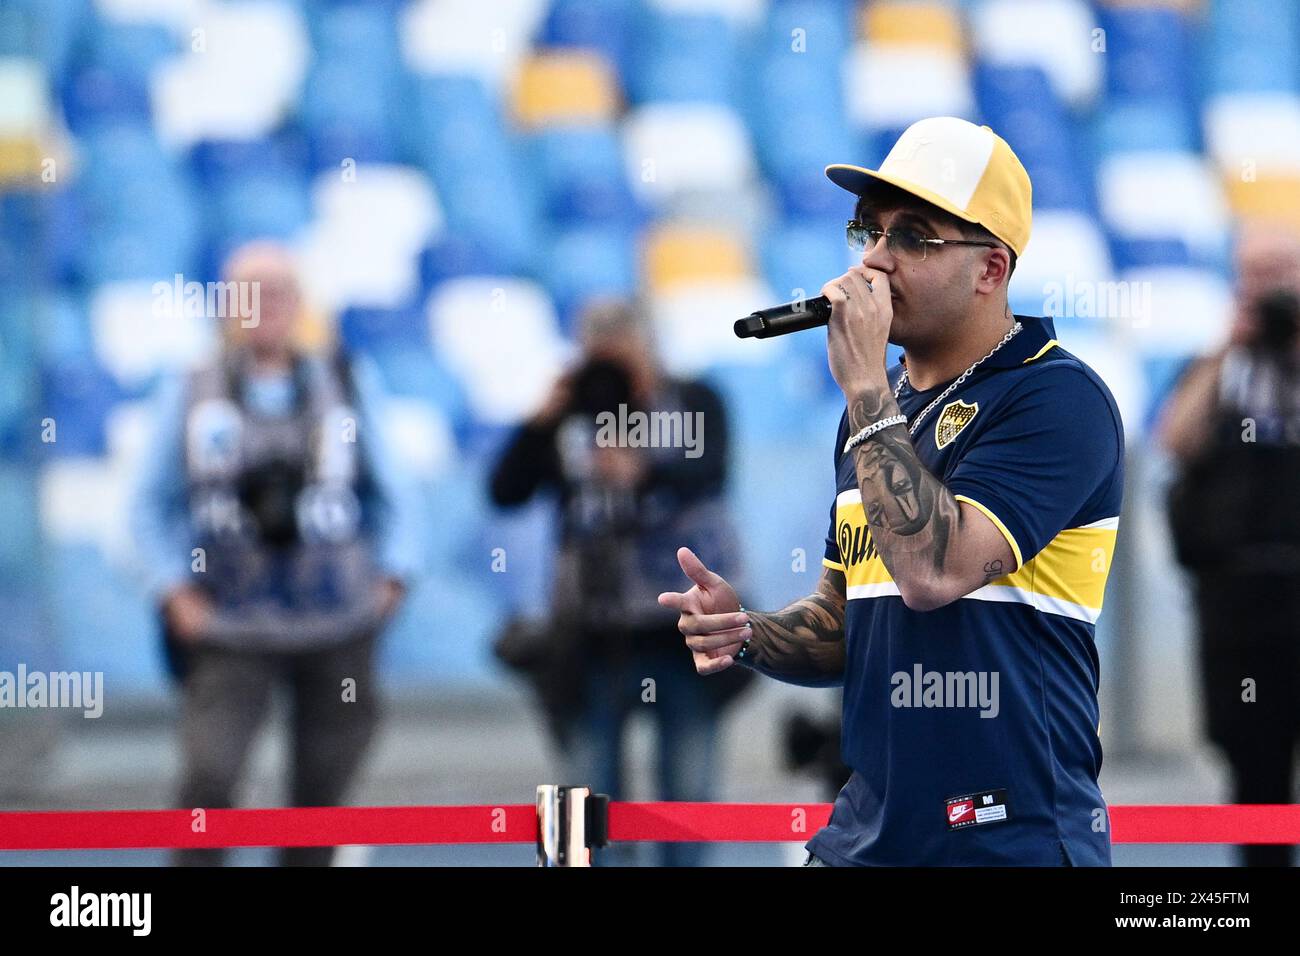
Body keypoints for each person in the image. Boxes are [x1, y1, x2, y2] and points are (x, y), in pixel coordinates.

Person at [659, 116, 1126, 866]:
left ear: (991, 270)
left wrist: (868, 389)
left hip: (1008, 836)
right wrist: (747, 630)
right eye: (869, 232)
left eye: (913, 237)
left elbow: (932, 572)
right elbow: (847, 618)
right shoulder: (875, 410)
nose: (875, 260)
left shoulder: (1056, 398)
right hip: (867, 832)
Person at [130, 241, 422, 866]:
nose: (265, 307)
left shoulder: (345, 379)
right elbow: (146, 503)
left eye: (279, 292)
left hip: (337, 620)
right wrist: (172, 589)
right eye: (250, 293)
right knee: (209, 781)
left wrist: (392, 579)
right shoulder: (190, 389)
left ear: (300, 304)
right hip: (230, 622)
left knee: (320, 802)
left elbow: (396, 489)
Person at [489, 298, 751, 866]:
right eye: (597, 353)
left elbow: (714, 469)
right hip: (590, 634)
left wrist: (644, 469)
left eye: (622, 352)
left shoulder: (694, 400)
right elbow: (505, 491)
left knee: (688, 794)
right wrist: (543, 421)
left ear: (649, 346)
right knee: (585, 800)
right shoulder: (569, 414)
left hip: (684, 632)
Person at [1160, 222, 1300, 867]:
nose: (1265, 287)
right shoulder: (1220, 366)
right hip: (1240, 607)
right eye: (1253, 273)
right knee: (1255, 775)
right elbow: (1176, 442)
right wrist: (1227, 349)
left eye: (1278, 272)